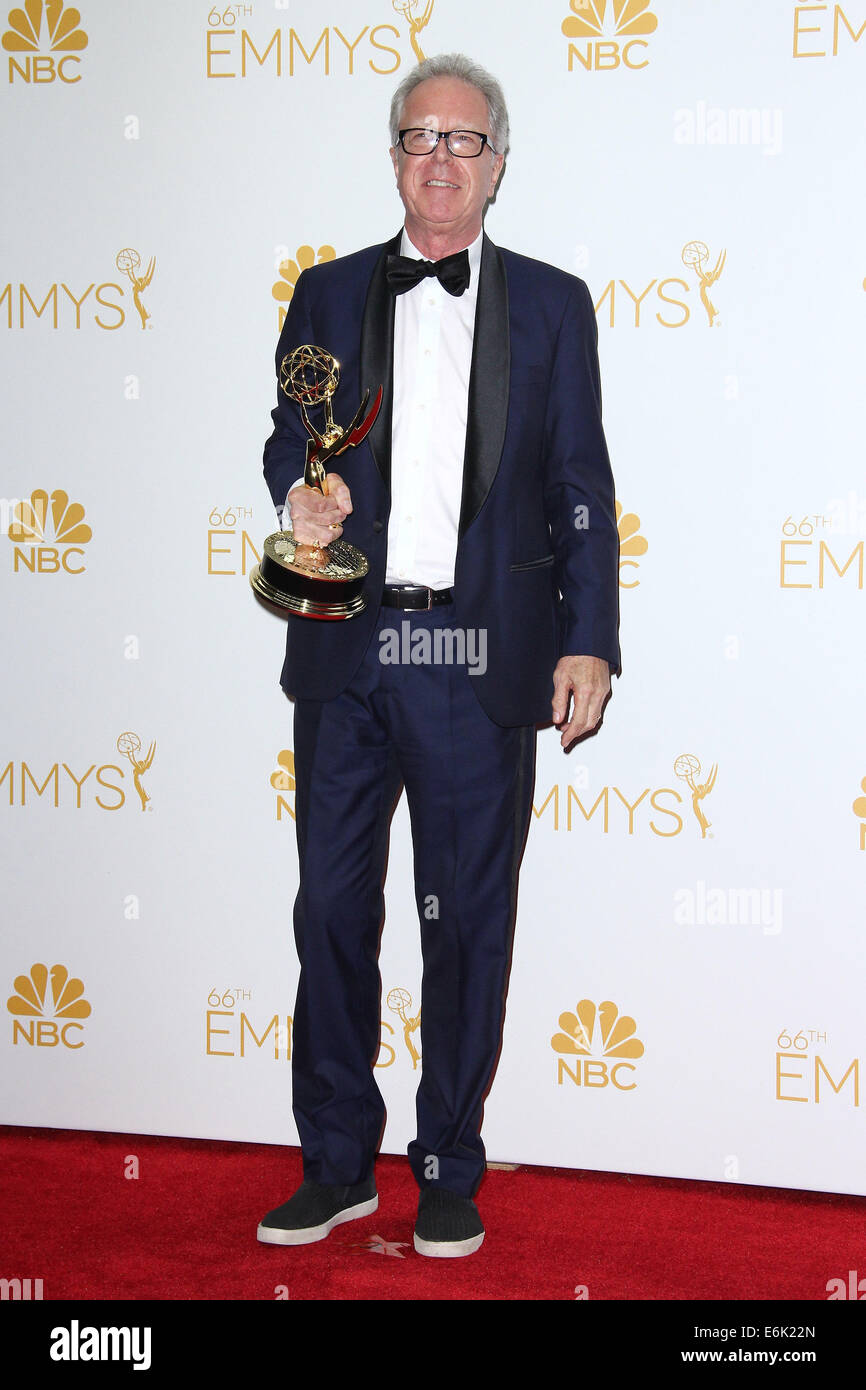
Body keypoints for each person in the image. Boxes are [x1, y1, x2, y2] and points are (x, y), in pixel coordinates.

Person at [257, 52, 620, 1258]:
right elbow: (286, 441)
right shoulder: (326, 292)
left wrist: (589, 639)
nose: (439, 157)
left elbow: (577, 483)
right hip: (348, 648)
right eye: (418, 135)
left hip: (477, 654)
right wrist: (297, 503)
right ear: (394, 155)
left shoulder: (553, 305)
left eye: (464, 140)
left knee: (465, 918)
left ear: (497, 164)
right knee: (328, 912)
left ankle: (448, 1164)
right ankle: (334, 1161)